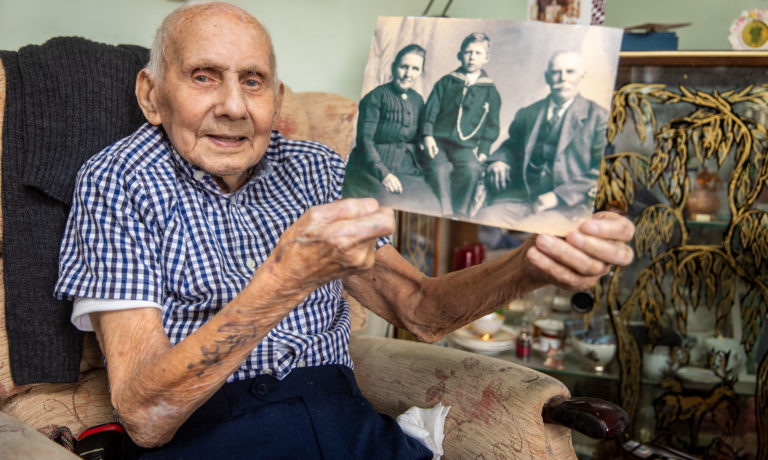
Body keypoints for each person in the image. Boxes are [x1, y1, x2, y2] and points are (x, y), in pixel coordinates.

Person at [54, 3, 635, 458]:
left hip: (348, 427)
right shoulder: (116, 180)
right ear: (151, 96)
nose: (233, 106)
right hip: (211, 437)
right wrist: (284, 281)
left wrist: (531, 264)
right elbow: (145, 415)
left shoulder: (318, 168)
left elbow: (420, 311)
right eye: (204, 77)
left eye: (253, 81)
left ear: (276, 99)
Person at [477, 50, 608, 230]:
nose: (563, 78)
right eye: (556, 72)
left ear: (582, 76)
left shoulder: (598, 117)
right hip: (524, 197)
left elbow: (602, 169)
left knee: (531, 233)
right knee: (485, 217)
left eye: (570, 72)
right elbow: (511, 146)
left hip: (567, 206)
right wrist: (499, 160)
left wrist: (558, 196)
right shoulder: (528, 113)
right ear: (547, 77)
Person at [342, 44, 440, 215]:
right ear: (394, 67)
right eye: (404, 67)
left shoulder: (417, 100)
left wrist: (426, 139)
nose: (408, 74)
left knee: (430, 203)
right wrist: (384, 174)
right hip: (370, 170)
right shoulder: (375, 98)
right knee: (388, 209)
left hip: (405, 169)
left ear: (420, 73)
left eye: (415, 69)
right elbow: (365, 141)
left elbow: (417, 136)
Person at [422, 32, 501, 217]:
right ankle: (446, 212)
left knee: (472, 169)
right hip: (438, 142)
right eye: (468, 52)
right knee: (439, 168)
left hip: (464, 146)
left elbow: (491, 125)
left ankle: (461, 212)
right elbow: (430, 111)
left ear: (486, 58)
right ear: (460, 55)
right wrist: (428, 135)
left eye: (477, 53)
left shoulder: (490, 92)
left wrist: (484, 150)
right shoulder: (446, 82)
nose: (472, 57)